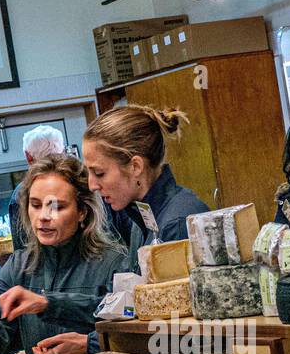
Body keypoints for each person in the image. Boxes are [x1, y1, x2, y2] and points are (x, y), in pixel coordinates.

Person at [0, 154, 129, 354]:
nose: (43, 216)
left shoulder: (114, 263)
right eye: (35, 205)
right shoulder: (18, 267)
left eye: (56, 207)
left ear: (82, 211)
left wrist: (90, 344)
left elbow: (129, 335)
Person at [82, 105, 209, 255]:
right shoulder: (141, 216)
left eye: (99, 173)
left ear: (135, 166)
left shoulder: (177, 224)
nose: (92, 185)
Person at [6, 125, 67, 252]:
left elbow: (23, 251)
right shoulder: (87, 183)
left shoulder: (21, 195)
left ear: (28, 157)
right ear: (63, 152)